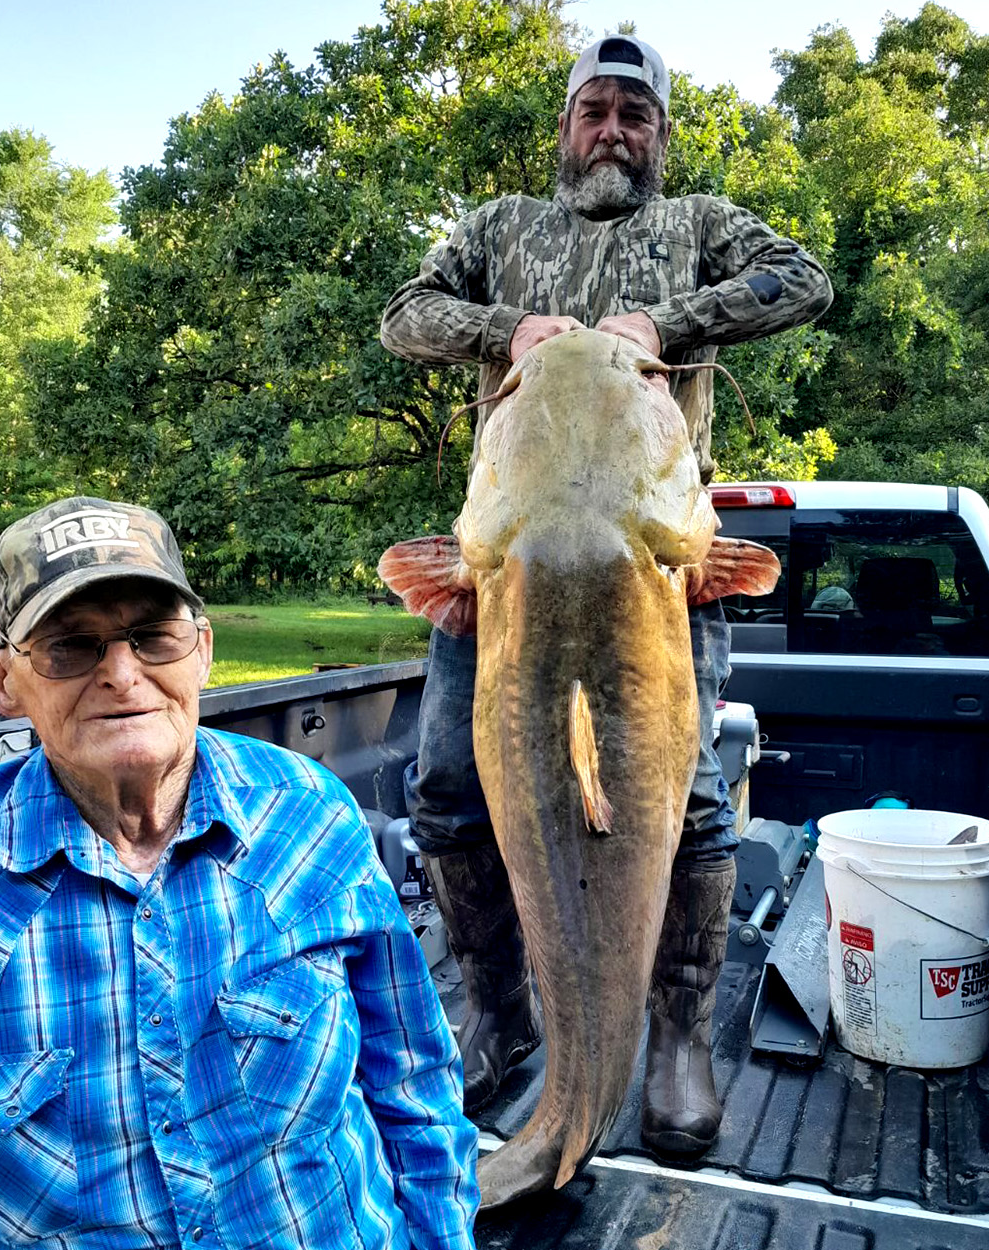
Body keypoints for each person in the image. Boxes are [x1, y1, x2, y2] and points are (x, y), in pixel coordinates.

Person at [378, 33, 833, 1155]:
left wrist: (664, 326)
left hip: (657, 567)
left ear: (660, 134)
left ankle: (675, 1038)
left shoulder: (699, 228)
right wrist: (503, 330)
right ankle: (501, 1014)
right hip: (505, 572)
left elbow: (806, 281)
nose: (614, 130)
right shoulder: (499, 229)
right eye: (596, 109)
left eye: (637, 112)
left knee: (694, 807)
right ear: (566, 125)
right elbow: (402, 317)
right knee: (443, 789)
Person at [0, 496, 475, 1249]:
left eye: (153, 637)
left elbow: (414, 1079)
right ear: (3, 681)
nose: (121, 673)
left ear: (201, 649)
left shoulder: (307, 814)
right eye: (71, 647)